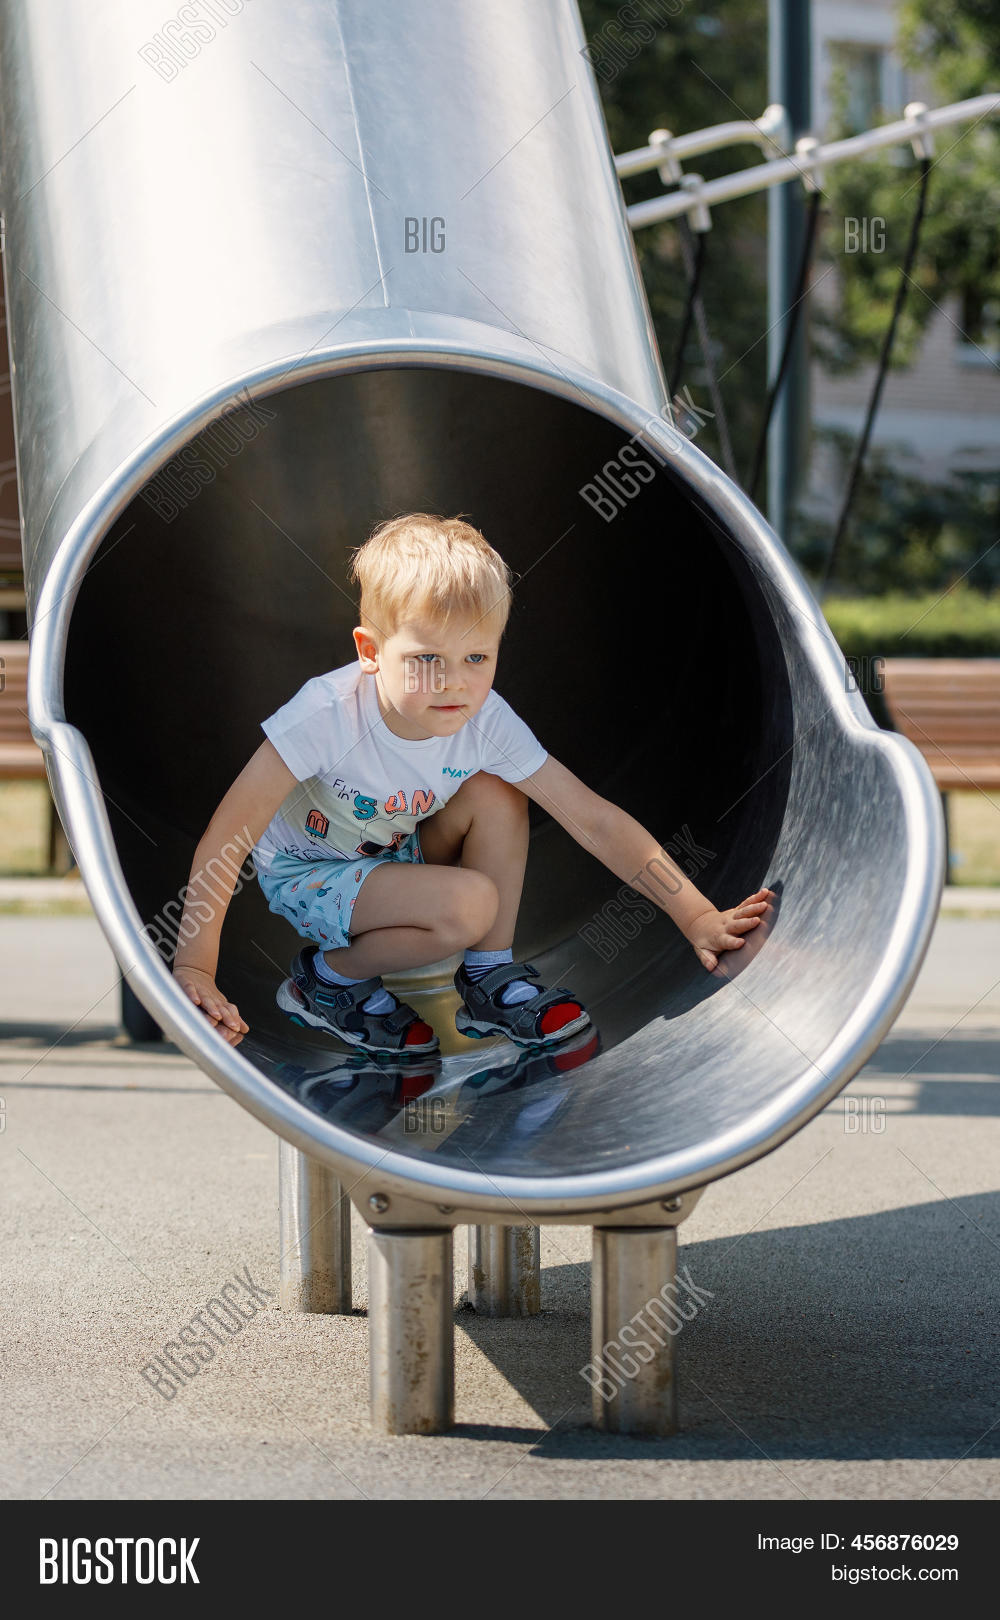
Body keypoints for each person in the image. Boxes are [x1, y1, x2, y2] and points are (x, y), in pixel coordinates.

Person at [172, 513, 772, 1054]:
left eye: (477, 659)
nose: (454, 684)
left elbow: (593, 819)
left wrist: (695, 916)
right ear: (371, 651)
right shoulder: (325, 716)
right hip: (307, 874)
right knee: (470, 904)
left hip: (391, 852)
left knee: (497, 792)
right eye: (427, 659)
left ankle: (489, 978)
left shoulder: (484, 722)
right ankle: (325, 982)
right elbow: (228, 841)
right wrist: (196, 966)